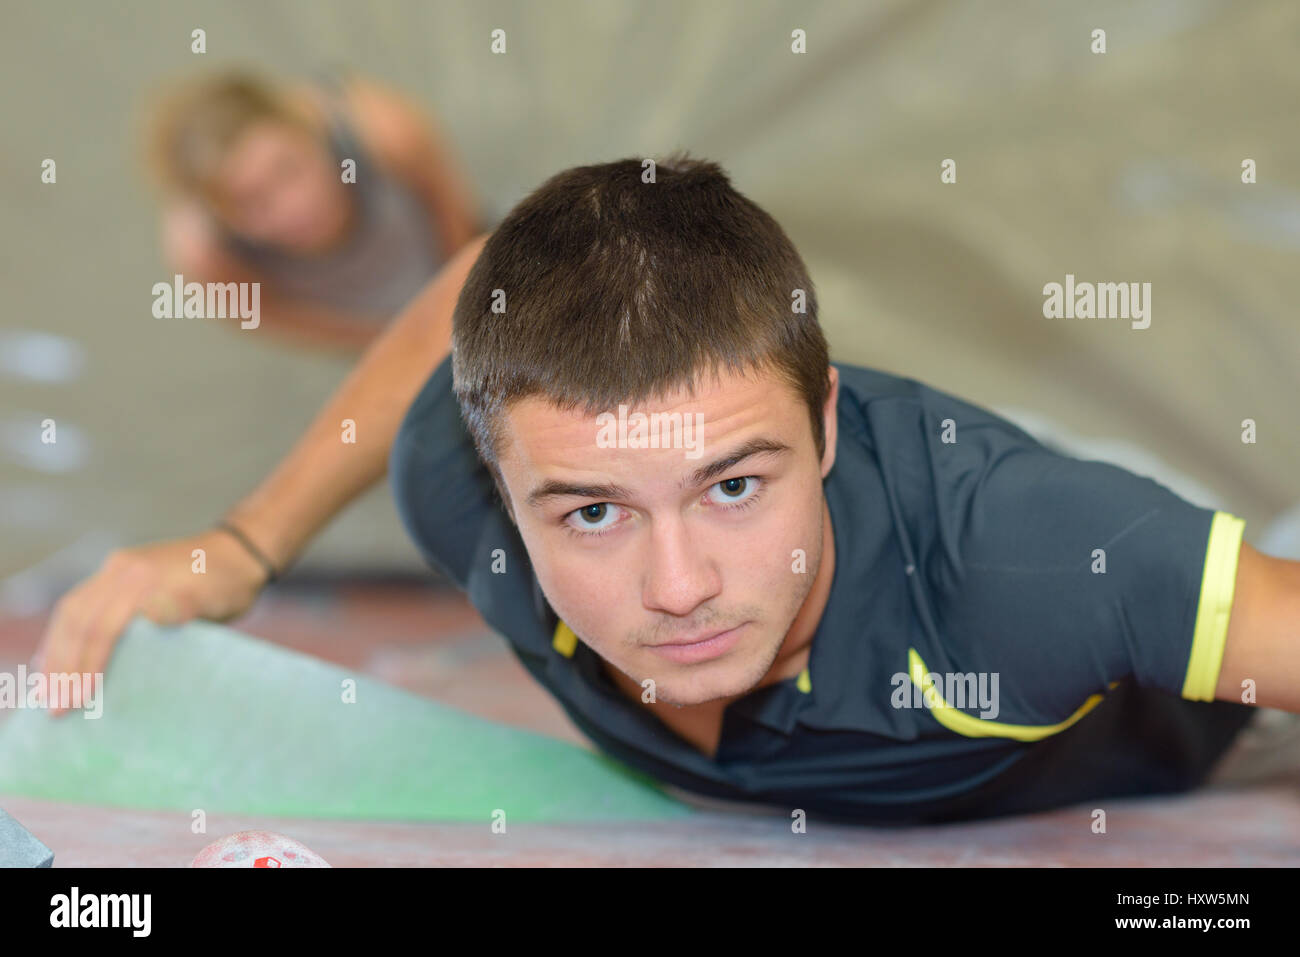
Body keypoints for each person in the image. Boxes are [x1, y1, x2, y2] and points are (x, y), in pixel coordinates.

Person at [33, 155, 1300, 824]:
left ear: (822, 421)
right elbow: (475, 271)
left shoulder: (1036, 564)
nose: (677, 587)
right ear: (501, 475)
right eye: (591, 512)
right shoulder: (451, 483)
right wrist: (243, 546)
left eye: (734, 486)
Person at [143, 68, 481, 351]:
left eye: (289, 168)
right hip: (383, 332)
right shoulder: (206, 257)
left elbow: (452, 210)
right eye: (252, 203)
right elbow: (275, 315)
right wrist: (395, 347)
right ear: (219, 217)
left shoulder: (384, 131)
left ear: (310, 129)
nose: (293, 208)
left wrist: (465, 304)